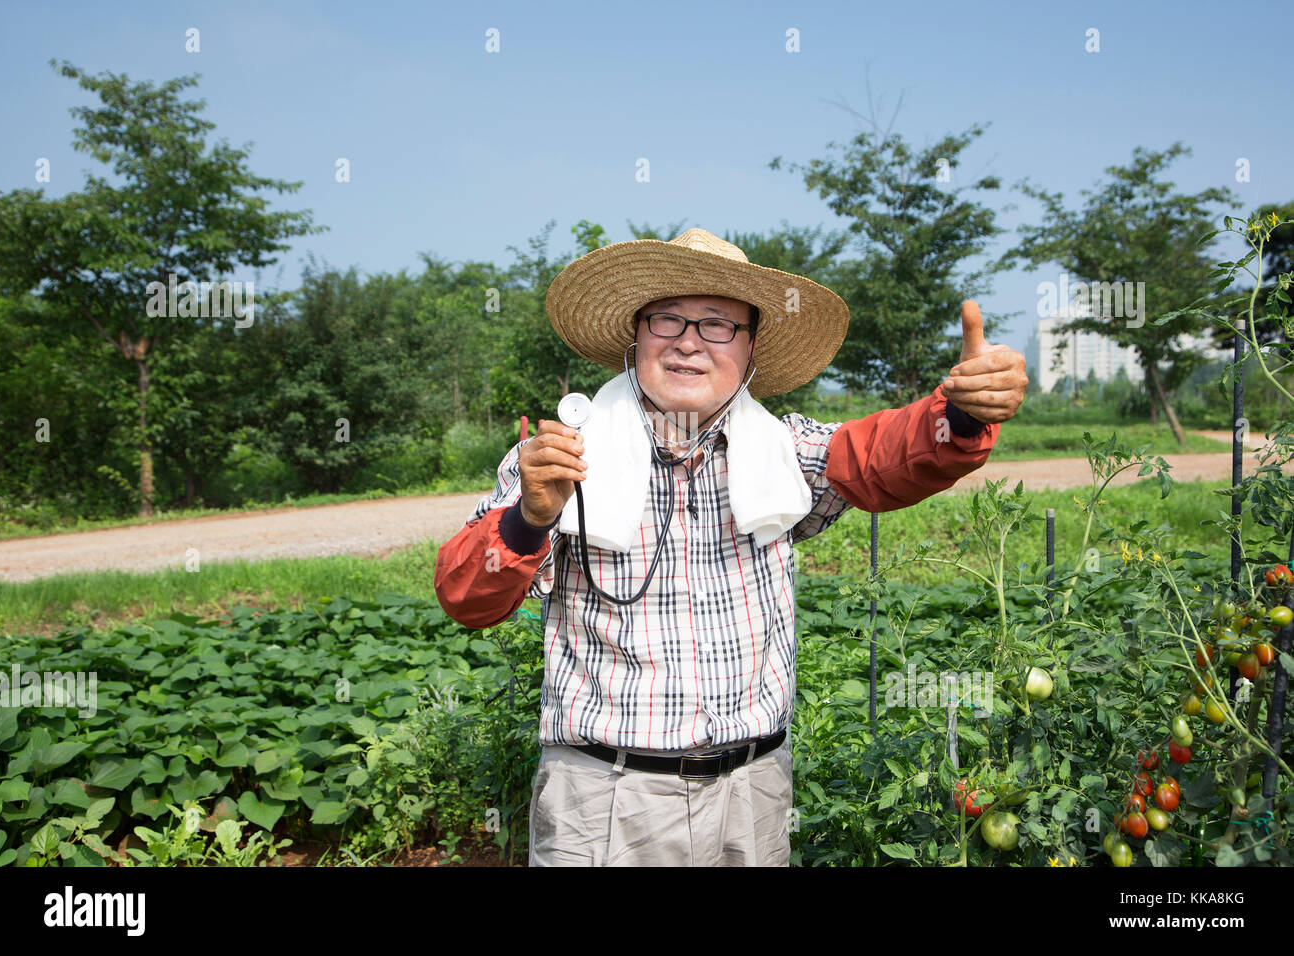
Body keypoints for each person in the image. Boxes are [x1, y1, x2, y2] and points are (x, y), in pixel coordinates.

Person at [433, 228, 1027, 866]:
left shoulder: (781, 453)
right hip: (604, 799)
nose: (689, 341)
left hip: (753, 793)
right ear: (636, 335)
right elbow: (467, 596)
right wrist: (529, 519)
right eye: (669, 319)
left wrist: (961, 416)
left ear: (749, 350)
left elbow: (881, 454)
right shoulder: (561, 460)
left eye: (719, 325)